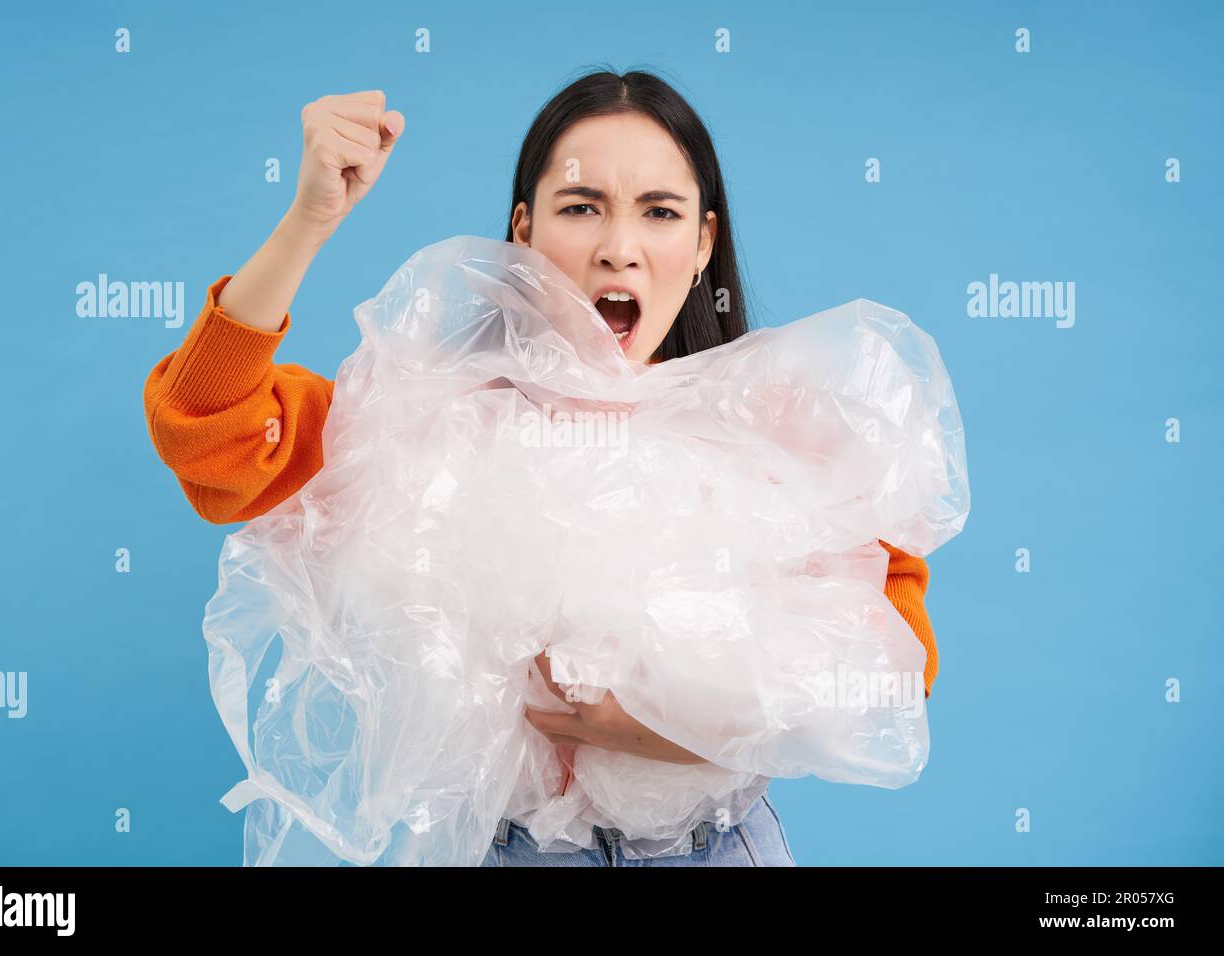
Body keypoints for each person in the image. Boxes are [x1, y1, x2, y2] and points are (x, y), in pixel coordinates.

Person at [141, 67, 940, 867]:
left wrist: (686, 726)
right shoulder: (433, 424)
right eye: (581, 207)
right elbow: (211, 433)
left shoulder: (774, 431)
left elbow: (892, 665)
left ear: (703, 242)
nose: (617, 249)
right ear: (523, 232)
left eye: (659, 213)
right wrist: (308, 222)